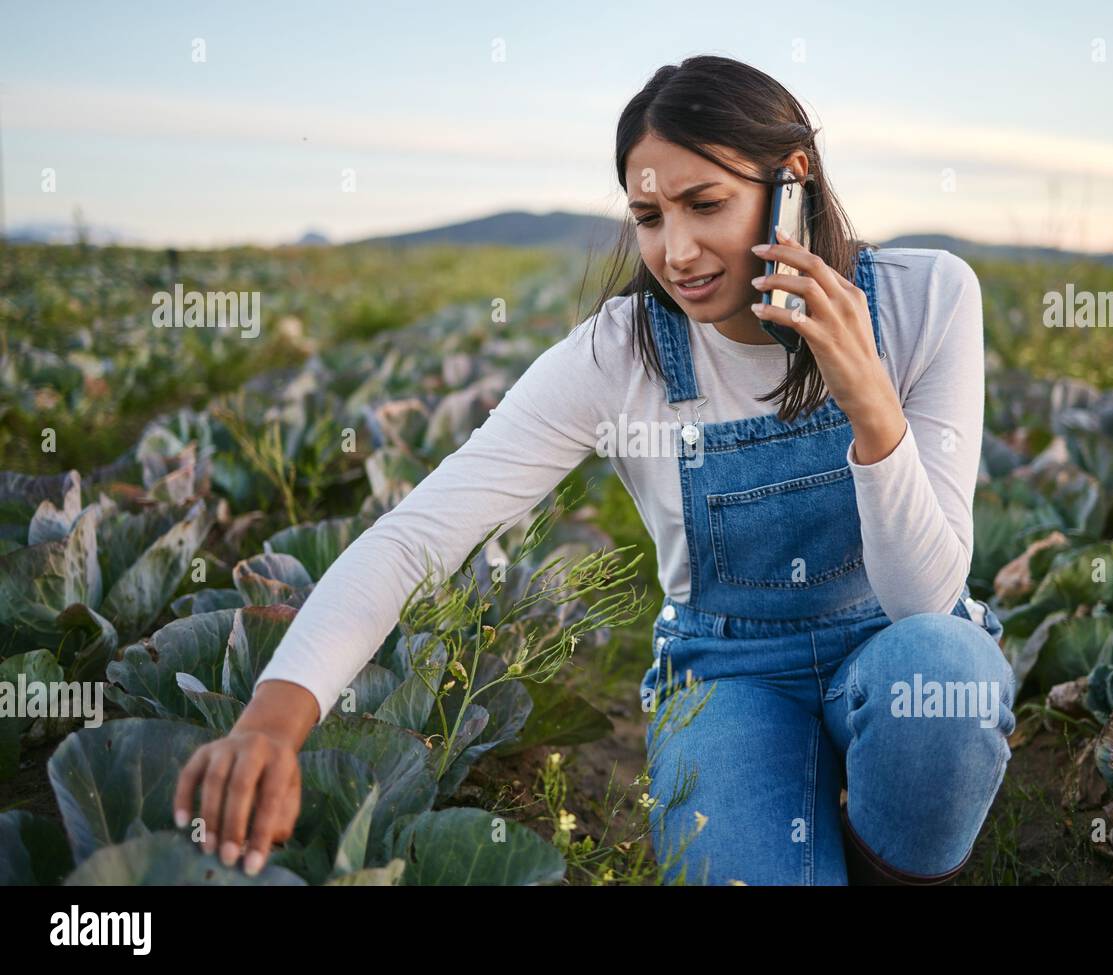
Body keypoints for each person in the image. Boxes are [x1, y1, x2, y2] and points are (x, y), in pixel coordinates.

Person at [174, 54, 1015, 886]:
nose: (676, 251)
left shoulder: (926, 300)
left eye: (705, 203)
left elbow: (926, 602)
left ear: (791, 181)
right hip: (731, 671)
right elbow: (421, 533)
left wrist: (871, 403)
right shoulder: (621, 355)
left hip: (889, 640)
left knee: (948, 672)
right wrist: (273, 721)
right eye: (648, 215)